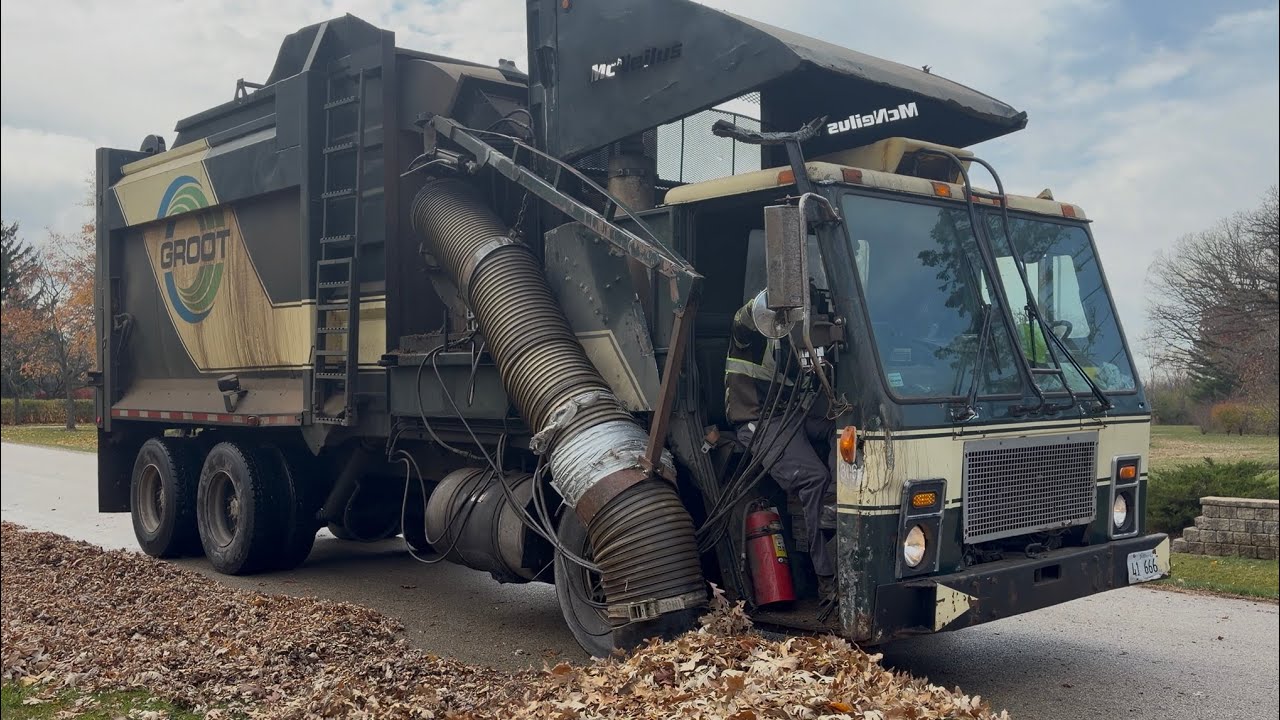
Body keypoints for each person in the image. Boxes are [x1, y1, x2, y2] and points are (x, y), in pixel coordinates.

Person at [724, 290, 837, 600]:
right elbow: (742, 320)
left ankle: (833, 498)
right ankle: (826, 577)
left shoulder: (798, 340)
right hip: (759, 422)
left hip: (791, 416)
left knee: (838, 427)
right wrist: (779, 297)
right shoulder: (752, 335)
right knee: (813, 479)